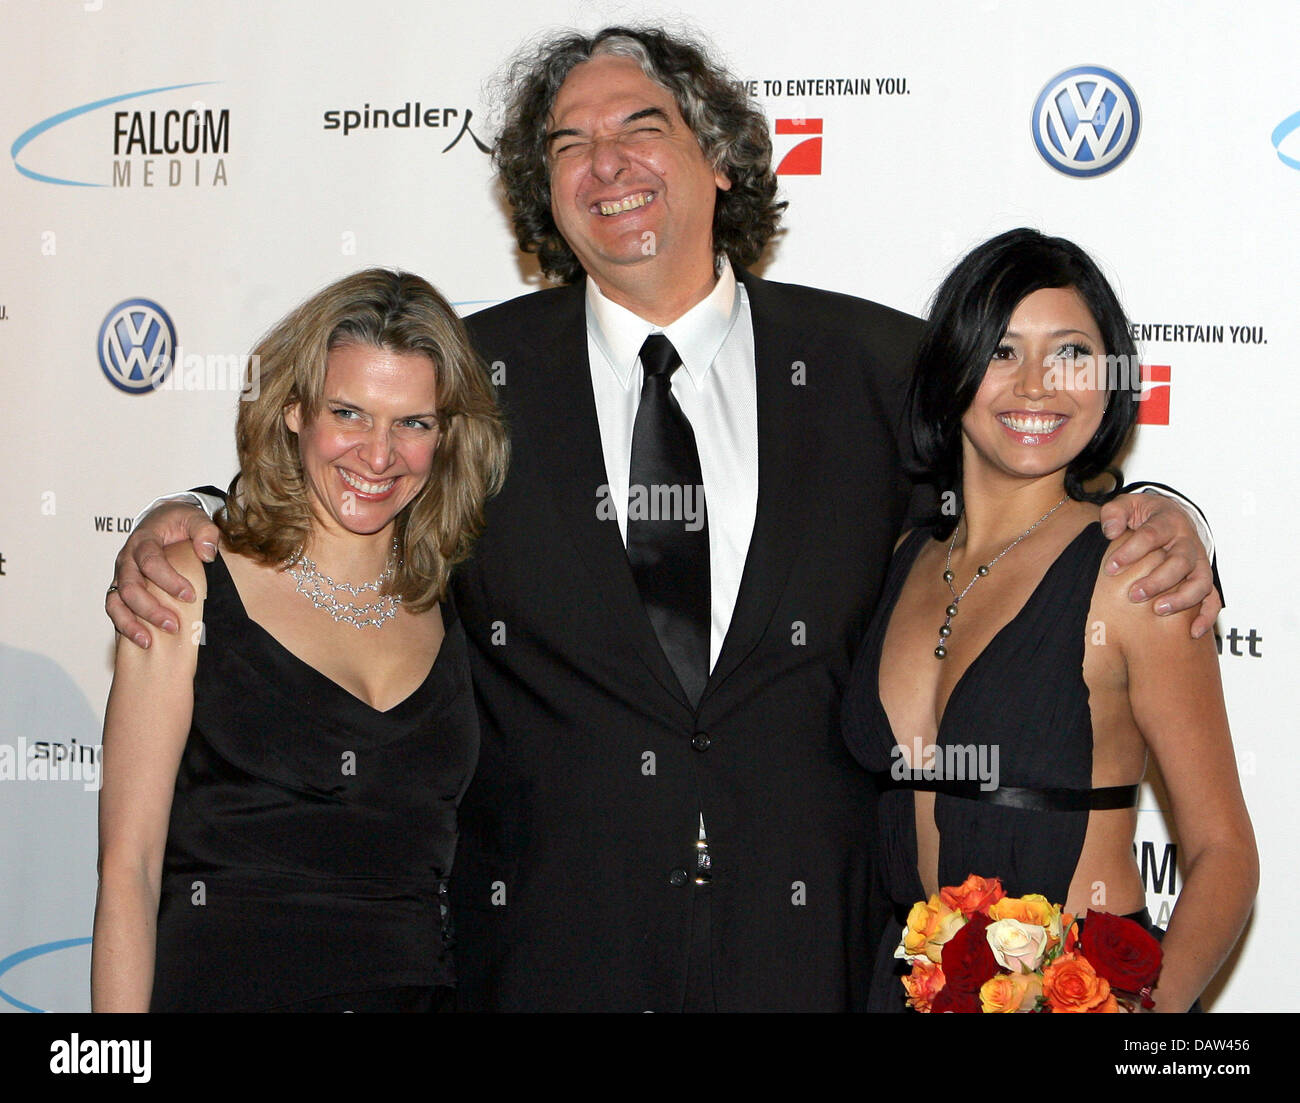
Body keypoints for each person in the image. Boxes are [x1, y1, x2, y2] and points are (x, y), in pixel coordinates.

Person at [105, 28, 1218, 1011]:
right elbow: (340, 488)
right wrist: (183, 512)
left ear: (722, 159)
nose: (605, 163)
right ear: (544, 195)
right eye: (566, 145)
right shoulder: (474, 376)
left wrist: (1166, 511)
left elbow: (1024, 490)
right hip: (543, 954)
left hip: (814, 957)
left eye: (641, 126)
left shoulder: (874, 366)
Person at [843, 229, 1257, 1012]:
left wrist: (1147, 1017)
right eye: (1001, 351)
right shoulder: (900, 559)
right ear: (953, 370)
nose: (1036, 385)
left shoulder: (1135, 572)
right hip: (899, 990)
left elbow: (1223, 849)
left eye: (1070, 352)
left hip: (1077, 997)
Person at [91, 269, 508, 1012]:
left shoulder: (458, 606)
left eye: (412, 422)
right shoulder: (186, 585)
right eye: (348, 412)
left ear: (446, 438)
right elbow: (130, 866)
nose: (378, 456)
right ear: (293, 410)